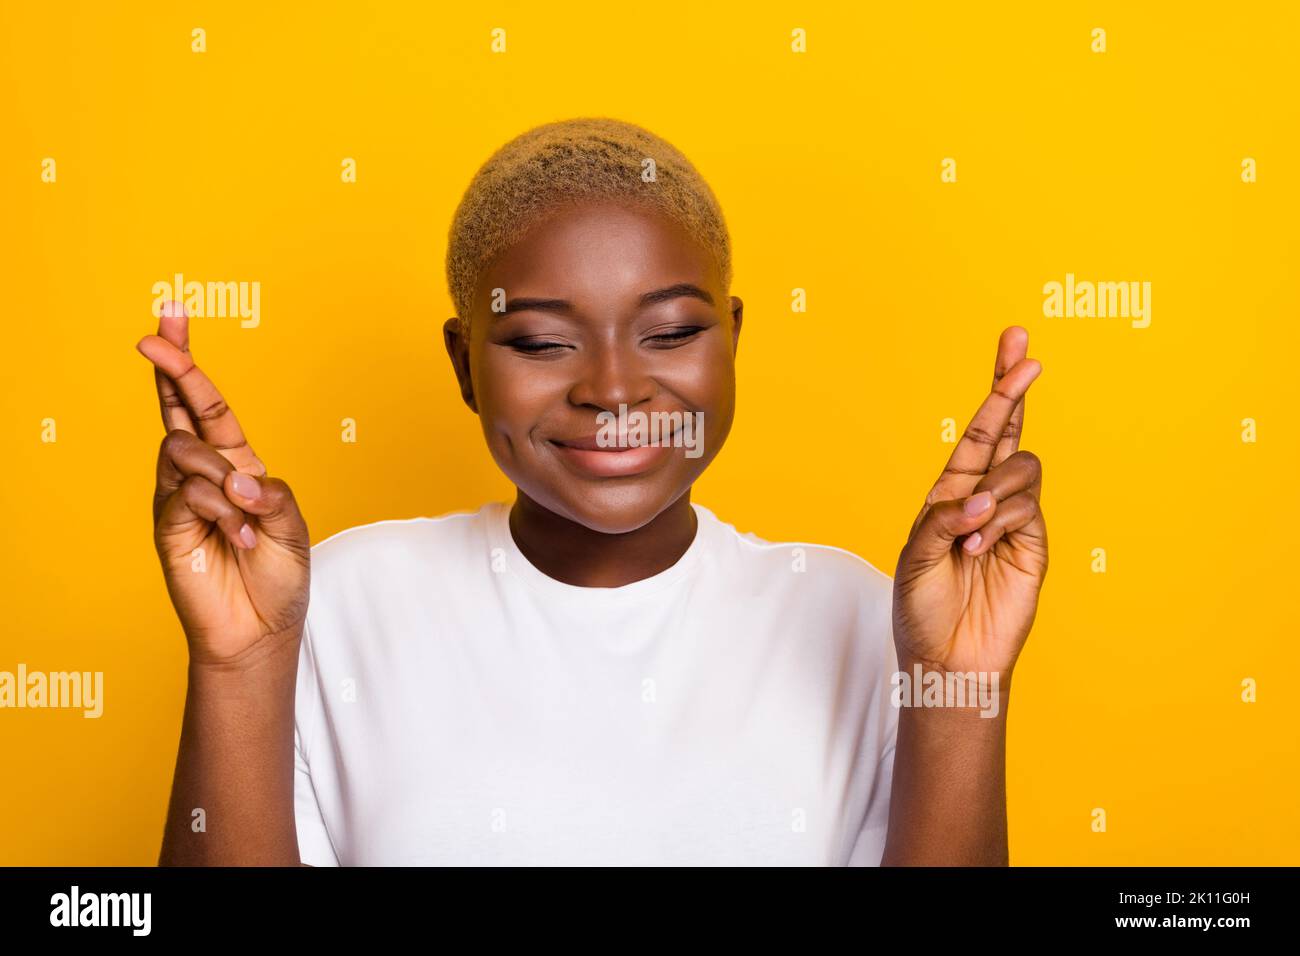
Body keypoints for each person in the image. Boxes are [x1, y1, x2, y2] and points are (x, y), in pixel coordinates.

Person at [138, 117, 1047, 866]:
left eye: (670, 332)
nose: (613, 390)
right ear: (464, 365)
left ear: (732, 339)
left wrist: (960, 686)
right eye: (540, 342)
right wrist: (238, 667)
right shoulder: (334, 602)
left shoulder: (855, 615)